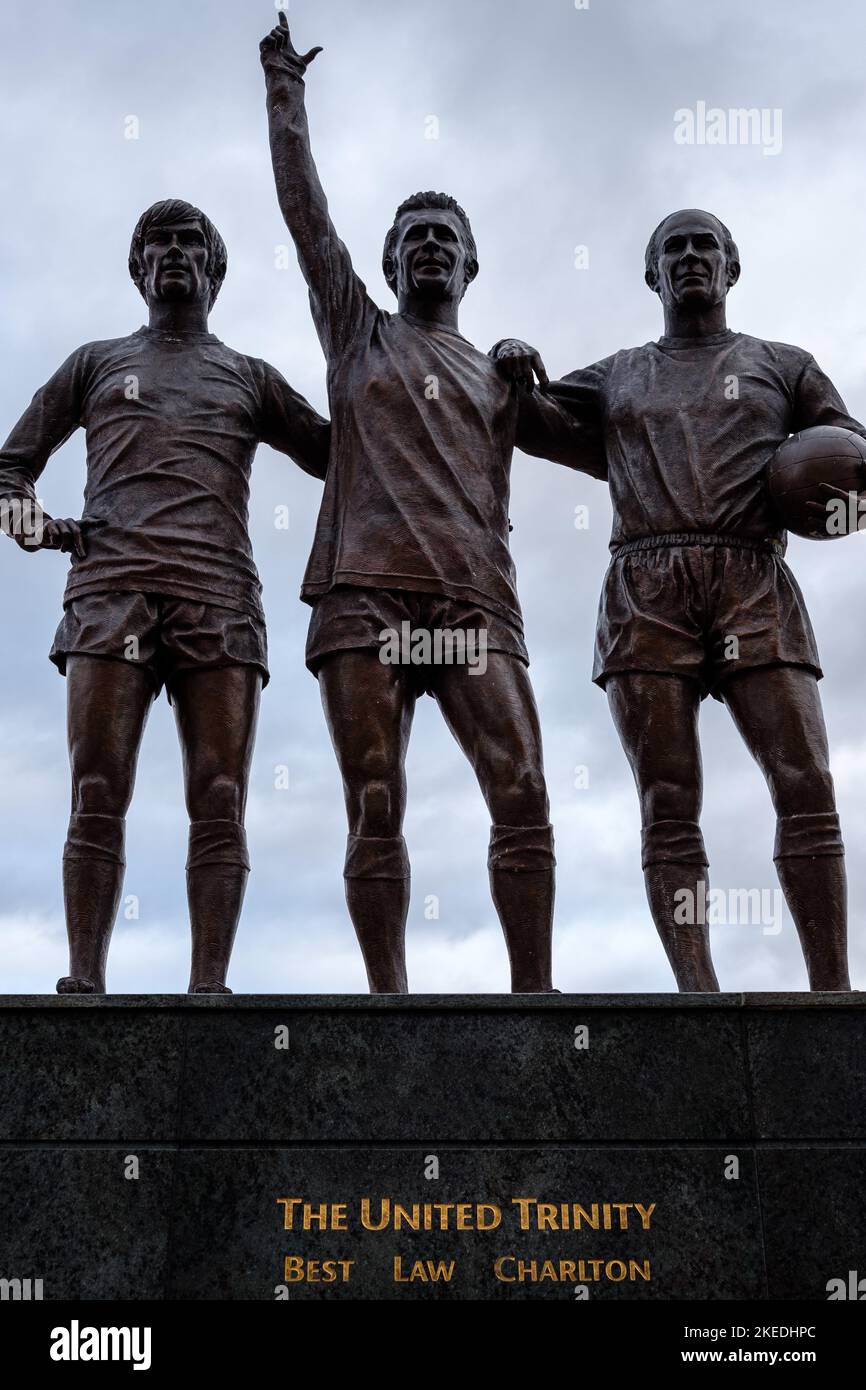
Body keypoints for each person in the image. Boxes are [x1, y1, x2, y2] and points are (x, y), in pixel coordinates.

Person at [259, 14, 604, 994]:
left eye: (443, 237)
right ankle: (387, 1002)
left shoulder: (503, 377)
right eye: (410, 235)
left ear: (469, 265)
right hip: (365, 597)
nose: (426, 245)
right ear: (385, 259)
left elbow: (607, 452)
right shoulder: (355, 330)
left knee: (525, 792)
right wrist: (284, 91)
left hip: (469, 608)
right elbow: (304, 214)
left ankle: (534, 995)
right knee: (374, 800)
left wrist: (528, 389)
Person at [494, 208, 865, 991]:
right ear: (651, 274)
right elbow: (532, 420)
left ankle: (832, 991)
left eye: (706, 246)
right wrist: (510, 361)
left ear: (732, 269)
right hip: (646, 586)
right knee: (668, 797)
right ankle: (696, 992)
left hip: (751, 577)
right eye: (675, 248)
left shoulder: (784, 364)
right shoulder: (621, 373)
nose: (691, 257)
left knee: (805, 781)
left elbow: (854, 457)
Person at [0, 198, 329, 995]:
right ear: (137, 267)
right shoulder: (95, 363)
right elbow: (8, 468)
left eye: (190, 243)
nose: (175, 253)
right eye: (160, 243)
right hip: (110, 593)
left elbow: (344, 457)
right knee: (96, 788)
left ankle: (208, 986)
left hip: (219, 600)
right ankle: (83, 977)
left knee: (219, 796)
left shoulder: (250, 377)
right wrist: (32, 524)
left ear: (215, 268)